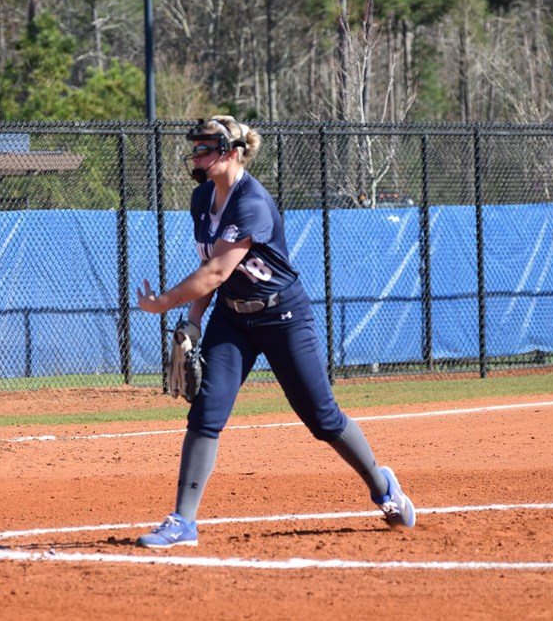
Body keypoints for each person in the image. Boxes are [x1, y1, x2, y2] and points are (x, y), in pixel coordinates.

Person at [134, 116, 416, 548]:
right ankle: (182, 521)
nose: (197, 156)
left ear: (231, 152)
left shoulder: (252, 203)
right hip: (232, 319)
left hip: (283, 316)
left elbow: (215, 271)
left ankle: (383, 487)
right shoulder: (201, 199)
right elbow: (213, 270)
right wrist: (194, 319)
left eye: (206, 148)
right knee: (206, 413)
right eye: (195, 148)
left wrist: (164, 304)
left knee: (322, 418)